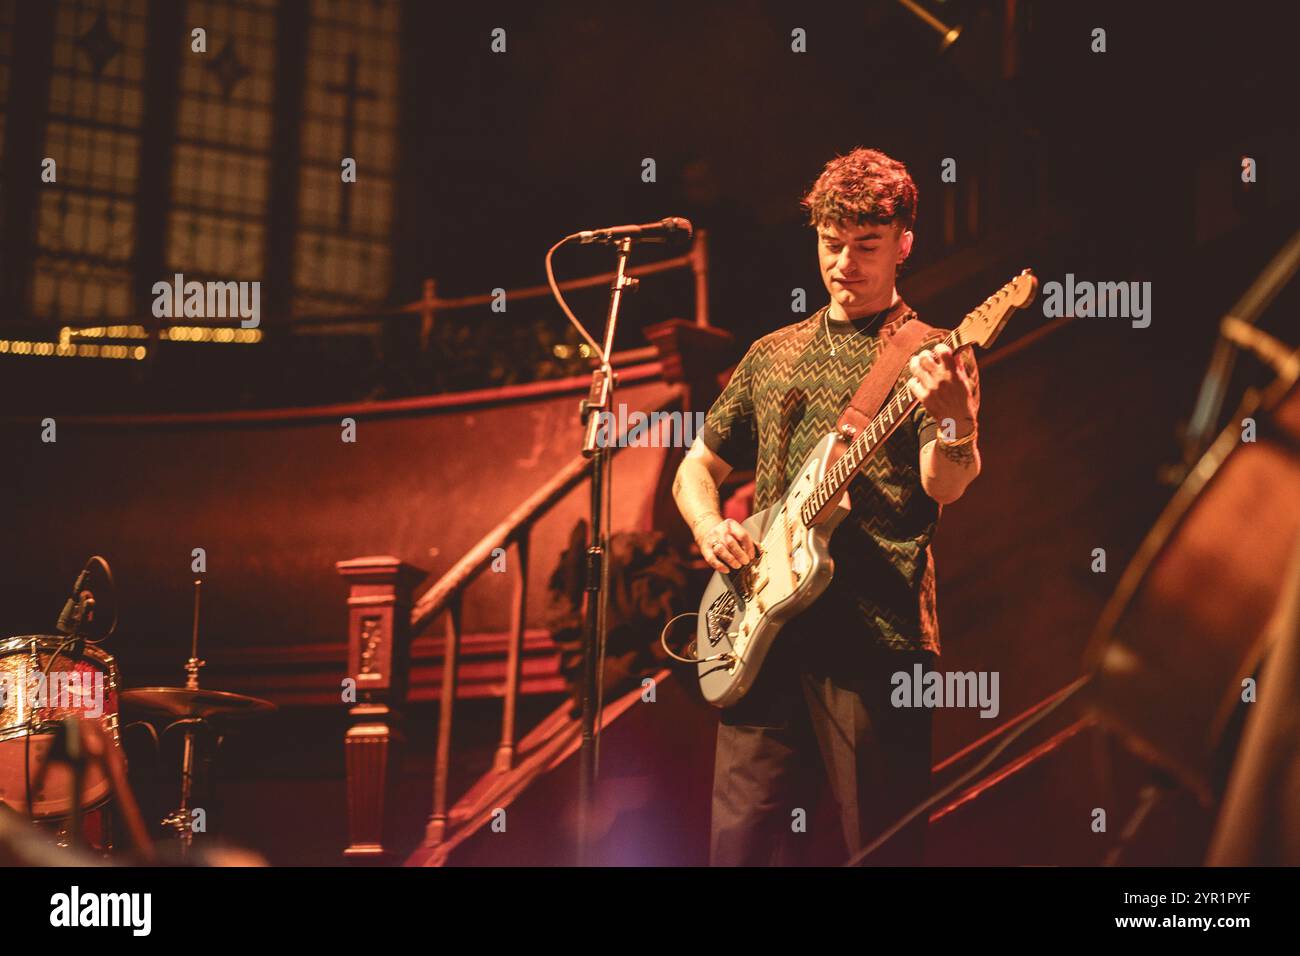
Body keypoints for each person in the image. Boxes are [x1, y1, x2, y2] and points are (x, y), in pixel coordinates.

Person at [672, 147, 981, 866]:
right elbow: (697, 466)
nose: (845, 263)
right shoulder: (772, 353)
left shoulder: (935, 354)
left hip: (876, 640)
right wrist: (709, 525)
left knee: (882, 847)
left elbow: (946, 485)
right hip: (763, 638)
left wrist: (956, 420)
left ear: (904, 244)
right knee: (738, 850)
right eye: (831, 244)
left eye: (867, 246)